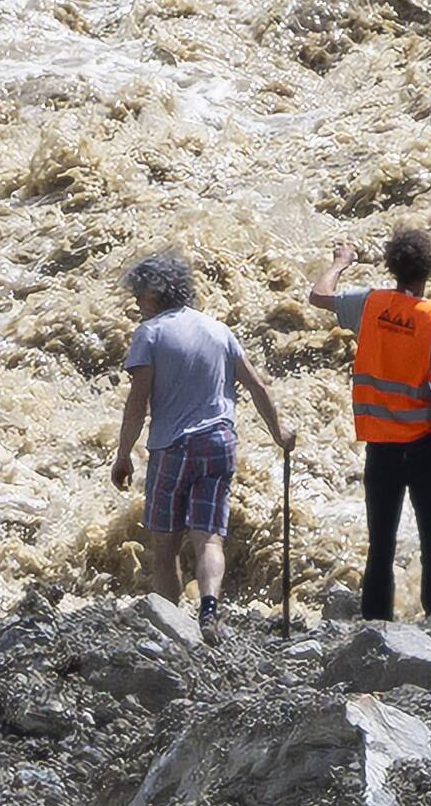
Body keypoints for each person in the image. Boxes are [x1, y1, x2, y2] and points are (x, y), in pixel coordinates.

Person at [112, 254, 295, 643]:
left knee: (165, 546)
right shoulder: (218, 329)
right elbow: (257, 386)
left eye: (139, 295)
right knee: (209, 537)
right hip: (219, 442)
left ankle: (170, 627)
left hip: (172, 447)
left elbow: (138, 402)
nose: (136, 303)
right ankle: (210, 608)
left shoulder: (151, 333)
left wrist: (123, 454)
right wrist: (279, 431)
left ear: (156, 293)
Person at [309, 230, 431, 619]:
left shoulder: (371, 303)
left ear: (392, 266)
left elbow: (318, 295)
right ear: (429, 270)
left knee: (381, 544)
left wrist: (341, 262)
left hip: (381, 446)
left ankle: (375, 627)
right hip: (427, 445)